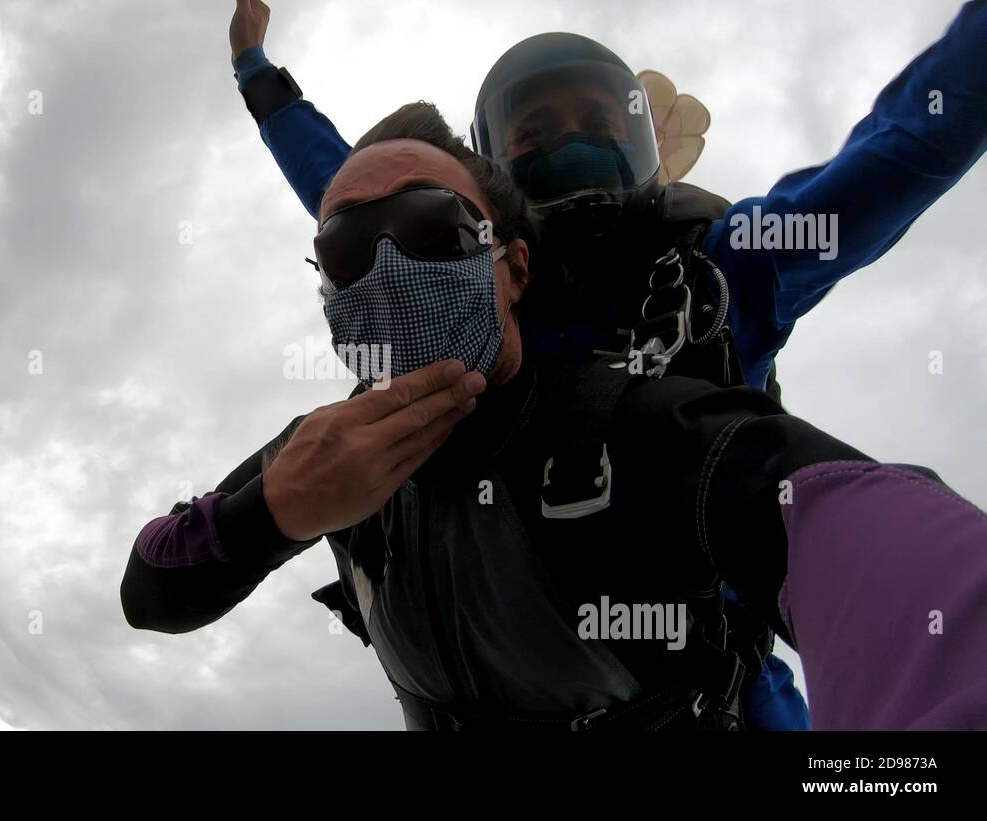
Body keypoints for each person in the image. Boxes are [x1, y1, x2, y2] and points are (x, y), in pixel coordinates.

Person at [225, 0, 987, 730]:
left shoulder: (721, 269)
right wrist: (258, 74)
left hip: (714, 673)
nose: (570, 140)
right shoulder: (485, 284)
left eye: (596, 121)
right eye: (535, 128)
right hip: (524, 637)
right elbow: (358, 198)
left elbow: (900, 152)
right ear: (491, 179)